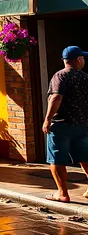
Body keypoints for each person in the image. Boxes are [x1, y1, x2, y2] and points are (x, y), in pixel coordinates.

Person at [43, 46, 88, 203]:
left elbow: (56, 98)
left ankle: (63, 194)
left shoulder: (60, 76)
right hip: (81, 124)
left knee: (56, 158)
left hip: (61, 125)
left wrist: (47, 119)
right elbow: (57, 97)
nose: (84, 60)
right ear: (78, 59)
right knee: (85, 157)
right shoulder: (84, 77)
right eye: (83, 58)